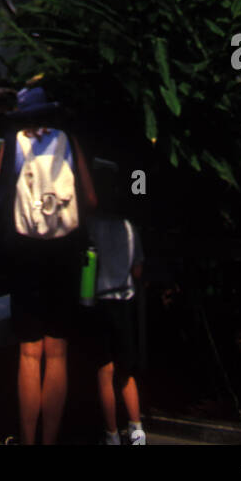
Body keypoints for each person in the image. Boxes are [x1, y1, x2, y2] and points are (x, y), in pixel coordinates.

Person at [0, 83, 97, 445]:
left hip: (25, 257)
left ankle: (26, 437)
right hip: (64, 255)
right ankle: (50, 440)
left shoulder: (14, 142)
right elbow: (91, 198)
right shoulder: (69, 140)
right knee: (57, 352)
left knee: (29, 353)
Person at [88, 167, 146, 446]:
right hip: (125, 303)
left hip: (99, 303)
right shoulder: (130, 228)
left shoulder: (92, 226)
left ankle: (111, 434)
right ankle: (136, 430)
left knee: (104, 371)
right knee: (126, 370)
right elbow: (137, 270)